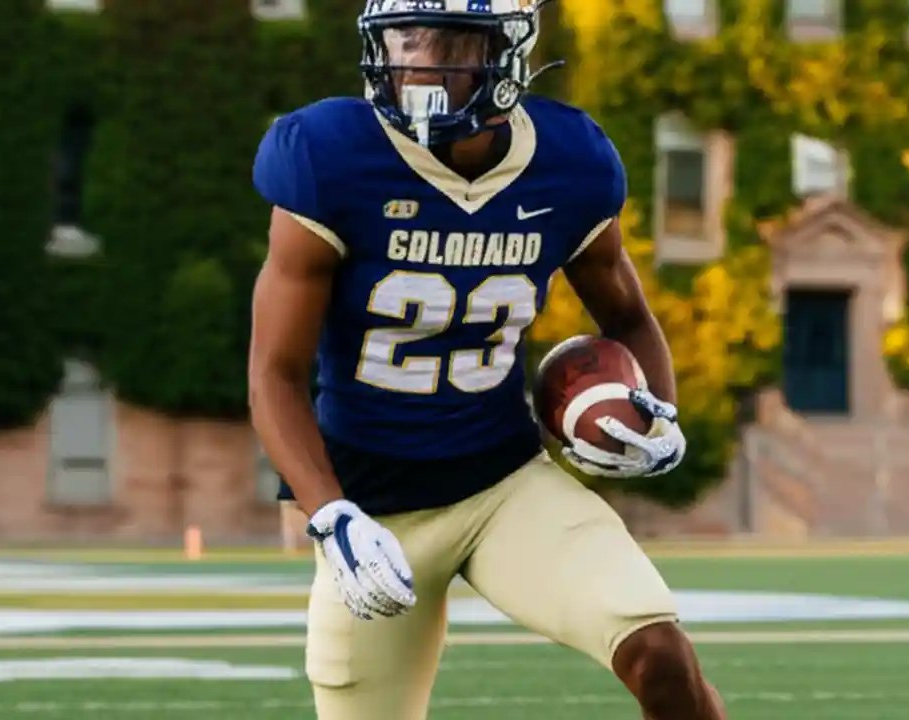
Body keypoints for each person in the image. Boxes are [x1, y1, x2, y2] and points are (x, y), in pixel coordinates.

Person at [249, 1, 727, 717]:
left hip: (504, 484)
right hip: (372, 510)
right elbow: (274, 374)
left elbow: (626, 316)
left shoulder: (569, 162)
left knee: (658, 651)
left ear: (506, 53)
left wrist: (658, 412)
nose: (418, 61)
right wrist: (331, 514)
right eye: (405, 38)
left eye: (448, 42)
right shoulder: (330, 156)